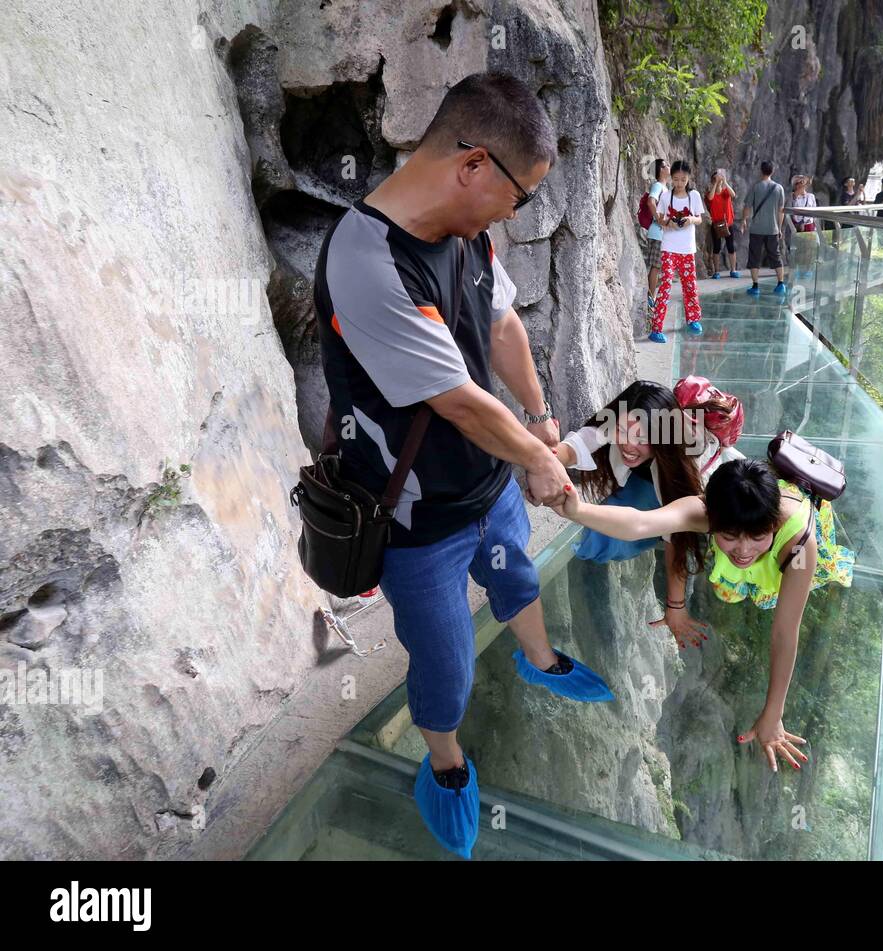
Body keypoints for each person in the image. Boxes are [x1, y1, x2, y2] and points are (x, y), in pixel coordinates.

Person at [312, 71, 614, 860]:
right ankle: (444, 765)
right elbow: (456, 399)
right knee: (445, 667)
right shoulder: (366, 258)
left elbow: (504, 321)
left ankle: (541, 657)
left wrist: (543, 420)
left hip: (489, 487)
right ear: (474, 165)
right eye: (518, 195)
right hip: (417, 518)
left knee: (517, 582)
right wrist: (542, 463)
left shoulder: (467, 232)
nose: (517, 213)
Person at [549, 458, 856, 770]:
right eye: (730, 536)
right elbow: (641, 523)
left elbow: (784, 632)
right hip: (749, 525)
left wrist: (773, 712)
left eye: (756, 536)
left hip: (790, 550)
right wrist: (577, 511)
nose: (744, 549)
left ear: (774, 523)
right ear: (711, 517)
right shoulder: (706, 510)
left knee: (773, 582)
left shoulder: (800, 547)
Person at [555, 379, 745, 581]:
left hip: (682, 480)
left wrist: (675, 606)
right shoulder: (635, 415)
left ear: (662, 436)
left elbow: (672, 531)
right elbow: (584, 440)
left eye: (642, 438)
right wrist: (546, 460)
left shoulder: (688, 459)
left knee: (631, 528)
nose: (628, 445)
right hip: (654, 467)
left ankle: (585, 549)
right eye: (621, 431)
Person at [649, 160, 705, 343]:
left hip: (687, 249)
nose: (679, 183)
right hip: (669, 248)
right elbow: (661, 219)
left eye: (683, 179)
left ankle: (693, 319)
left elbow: (700, 219)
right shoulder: (665, 197)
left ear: (688, 178)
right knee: (665, 286)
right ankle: (656, 328)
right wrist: (669, 223)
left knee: (690, 285)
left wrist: (689, 219)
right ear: (671, 178)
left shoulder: (694, 196)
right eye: (676, 179)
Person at [742, 160, 786, 296]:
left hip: (757, 229)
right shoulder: (779, 188)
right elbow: (781, 211)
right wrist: (779, 228)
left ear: (761, 171)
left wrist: (744, 220)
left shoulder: (756, 187)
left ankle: (755, 287)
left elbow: (747, 207)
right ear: (772, 171)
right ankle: (781, 285)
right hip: (772, 229)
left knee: (754, 257)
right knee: (776, 256)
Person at [705, 169, 740, 279]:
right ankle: (716, 271)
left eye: (719, 176)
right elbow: (710, 198)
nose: (718, 178)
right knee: (716, 248)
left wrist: (724, 182)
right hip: (716, 225)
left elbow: (733, 194)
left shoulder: (726, 192)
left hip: (728, 223)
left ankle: (733, 270)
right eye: (716, 177)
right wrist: (715, 183)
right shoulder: (709, 193)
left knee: (731, 247)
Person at [643, 159, 669, 309]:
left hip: (661, 234)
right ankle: (650, 298)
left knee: (658, 266)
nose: (669, 167)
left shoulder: (665, 188)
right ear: (660, 170)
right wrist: (659, 220)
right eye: (666, 165)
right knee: (656, 266)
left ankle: (651, 297)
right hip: (657, 233)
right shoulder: (658, 186)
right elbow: (651, 202)